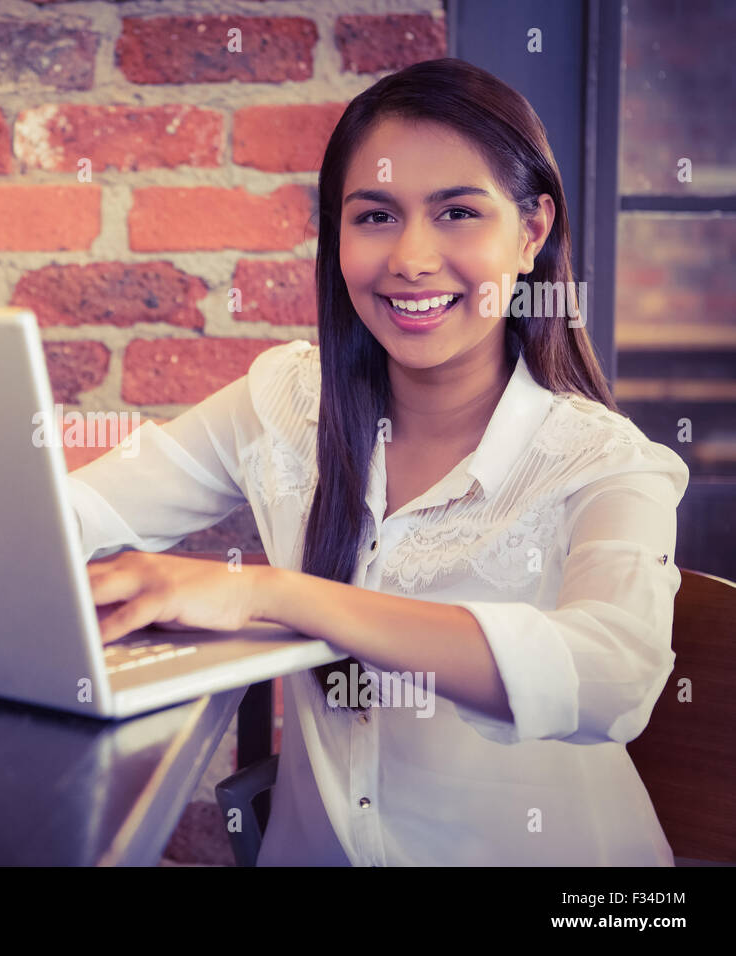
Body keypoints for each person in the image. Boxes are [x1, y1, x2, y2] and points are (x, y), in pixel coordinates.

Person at [65, 58, 688, 866]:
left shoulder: (607, 463)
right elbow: (75, 517)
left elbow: (613, 678)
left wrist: (274, 593)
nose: (412, 259)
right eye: (375, 216)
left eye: (459, 212)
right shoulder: (287, 399)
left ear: (532, 232)